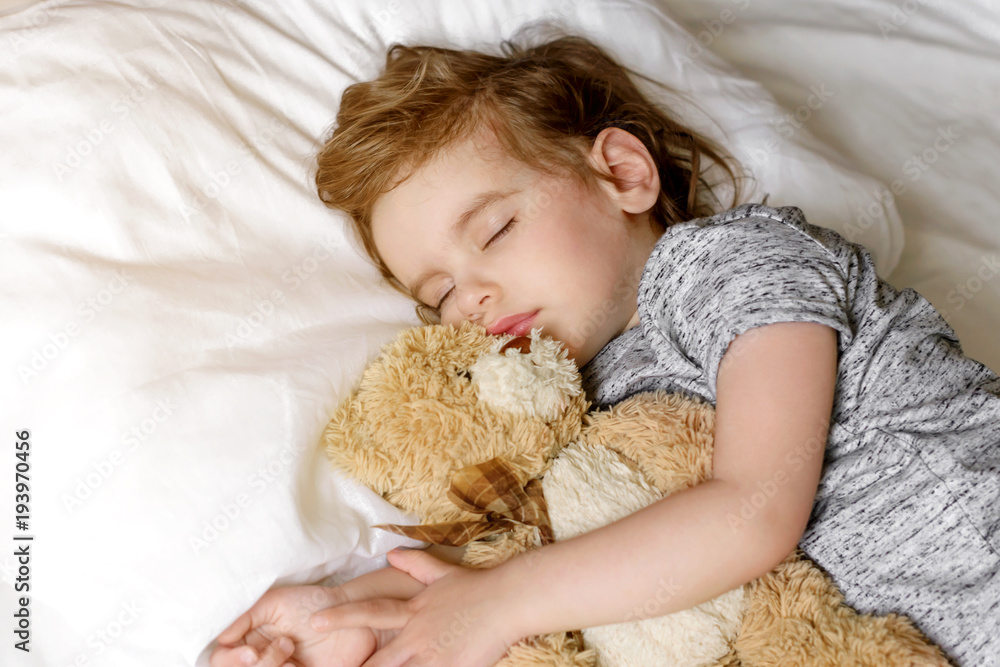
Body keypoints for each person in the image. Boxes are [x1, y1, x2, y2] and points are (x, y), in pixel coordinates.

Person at [210, 34, 1000, 667]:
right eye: (440, 295)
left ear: (621, 174)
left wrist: (500, 603)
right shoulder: (577, 403)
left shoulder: (733, 261)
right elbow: (546, 546)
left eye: (494, 230)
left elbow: (755, 508)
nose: (472, 297)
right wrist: (330, 618)